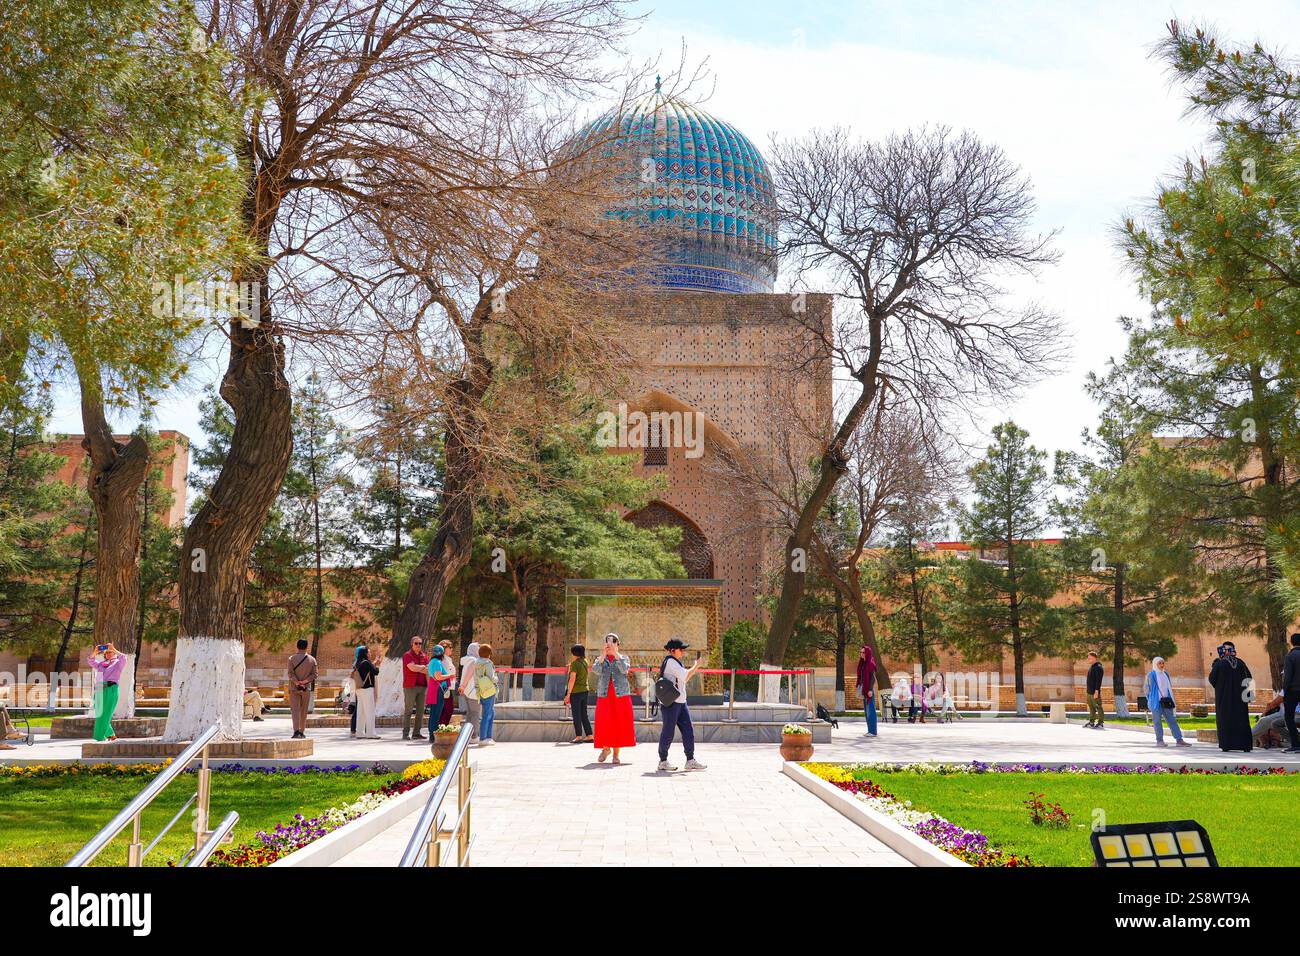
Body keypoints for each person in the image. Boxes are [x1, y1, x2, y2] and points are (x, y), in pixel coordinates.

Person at [657, 638, 706, 771]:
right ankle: (663, 760)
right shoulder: (671, 662)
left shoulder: (676, 662)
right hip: (672, 703)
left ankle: (690, 760)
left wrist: (695, 668)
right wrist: (696, 666)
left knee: (688, 731)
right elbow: (685, 676)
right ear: (673, 650)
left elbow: (685, 678)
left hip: (680, 701)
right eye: (681, 649)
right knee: (668, 732)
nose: (683, 651)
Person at [591, 633, 635, 764]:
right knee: (604, 722)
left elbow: (624, 670)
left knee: (619, 723)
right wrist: (603, 654)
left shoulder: (624, 658)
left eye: (613, 641)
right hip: (604, 695)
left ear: (618, 644)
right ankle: (605, 749)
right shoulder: (601, 658)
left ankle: (616, 754)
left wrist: (616, 654)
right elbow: (596, 670)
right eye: (608, 641)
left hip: (620, 696)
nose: (610, 644)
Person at [1207, 641, 1253, 753]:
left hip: (1224, 699)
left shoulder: (1219, 664)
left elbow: (1212, 679)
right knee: (1242, 720)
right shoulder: (1241, 663)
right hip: (1241, 700)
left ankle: (1227, 745)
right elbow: (1249, 678)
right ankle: (1245, 745)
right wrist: (1249, 696)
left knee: (1225, 720)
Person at [1145, 657, 1190, 748]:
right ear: (1155, 664)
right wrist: (1150, 700)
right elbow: (1146, 689)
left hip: (1166, 702)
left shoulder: (1165, 674)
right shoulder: (1151, 675)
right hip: (1156, 703)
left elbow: (1168, 688)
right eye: (1159, 663)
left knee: (1172, 720)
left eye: (1163, 663)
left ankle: (1179, 740)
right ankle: (1160, 741)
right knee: (1157, 722)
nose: (1161, 665)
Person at [87, 643, 124, 742]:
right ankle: (110, 734)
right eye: (106, 652)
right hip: (99, 689)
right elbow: (90, 661)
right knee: (99, 713)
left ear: (114, 653)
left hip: (110, 689)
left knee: (106, 714)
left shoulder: (118, 663)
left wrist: (114, 649)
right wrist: (95, 652)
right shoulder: (101, 664)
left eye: (110, 652)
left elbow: (124, 657)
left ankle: (99, 737)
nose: (107, 654)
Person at [287, 639, 317, 739]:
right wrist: (304, 682)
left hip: (294, 688)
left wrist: (297, 682)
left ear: (297, 646)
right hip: (306, 688)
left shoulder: (291, 658)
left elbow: (290, 674)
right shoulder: (312, 660)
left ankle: (296, 731)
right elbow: (314, 674)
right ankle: (302, 731)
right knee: (304, 711)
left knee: (295, 710)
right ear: (306, 647)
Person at [401, 637, 430, 741]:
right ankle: (405, 734)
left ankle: (416, 733)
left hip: (423, 687)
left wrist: (418, 668)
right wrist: (422, 667)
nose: (418, 645)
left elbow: (428, 671)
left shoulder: (425, 656)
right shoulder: (407, 655)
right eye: (416, 643)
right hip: (410, 687)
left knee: (420, 711)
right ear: (412, 644)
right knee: (408, 710)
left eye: (420, 643)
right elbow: (411, 668)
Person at [565, 644, 593, 743]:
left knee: (576, 715)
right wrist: (571, 666)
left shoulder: (575, 664)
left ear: (575, 653)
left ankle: (578, 736)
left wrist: (568, 694)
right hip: (585, 690)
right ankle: (589, 735)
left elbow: (572, 679)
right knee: (584, 714)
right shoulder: (585, 662)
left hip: (576, 692)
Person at [351, 645, 381, 739]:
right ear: (365, 653)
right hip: (367, 689)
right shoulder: (366, 663)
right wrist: (377, 665)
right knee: (370, 711)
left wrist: (374, 663)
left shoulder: (358, 663)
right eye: (368, 652)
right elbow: (375, 672)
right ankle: (371, 733)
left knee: (361, 712)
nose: (369, 653)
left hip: (359, 689)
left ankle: (359, 732)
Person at [474, 644, 499, 746]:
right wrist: (497, 678)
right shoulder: (488, 663)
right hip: (489, 690)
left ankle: (488, 737)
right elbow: (491, 677)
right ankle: (484, 738)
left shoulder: (476, 662)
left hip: (481, 690)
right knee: (487, 714)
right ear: (488, 653)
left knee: (490, 713)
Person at [459, 641, 482, 741]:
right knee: (475, 713)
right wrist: (463, 685)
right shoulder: (474, 661)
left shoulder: (467, 660)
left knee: (470, 713)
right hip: (473, 691)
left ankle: (466, 736)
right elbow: (469, 675)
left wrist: (463, 687)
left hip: (467, 691)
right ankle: (474, 735)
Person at [1282, 633, 1300, 753]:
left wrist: (1285, 689)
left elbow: (1287, 676)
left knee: (1289, 717)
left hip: (1293, 691)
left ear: (1291, 642)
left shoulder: (1291, 656)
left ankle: (1295, 744)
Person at [855, 645, 878, 736]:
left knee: (871, 710)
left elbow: (873, 678)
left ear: (867, 653)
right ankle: (870, 730)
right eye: (860, 652)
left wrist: (870, 690)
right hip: (864, 689)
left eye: (863, 652)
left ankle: (873, 731)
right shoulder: (863, 663)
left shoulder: (870, 663)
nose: (862, 654)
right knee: (866, 710)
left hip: (869, 689)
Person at [1084, 651, 1105, 729]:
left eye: (1089, 657)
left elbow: (1098, 681)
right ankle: (1091, 722)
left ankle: (1100, 723)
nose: (1088, 659)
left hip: (1094, 692)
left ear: (1094, 658)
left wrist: (1097, 691)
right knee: (1091, 707)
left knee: (1098, 707)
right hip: (1089, 692)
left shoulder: (1098, 667)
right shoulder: (1092, 667)